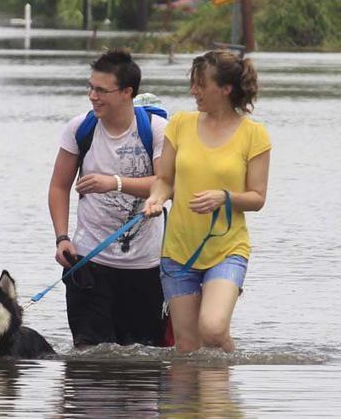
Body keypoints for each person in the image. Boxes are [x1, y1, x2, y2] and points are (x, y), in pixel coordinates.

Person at [143, 50, 270, 353]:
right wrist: (156, 200)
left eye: (201, 84)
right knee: (187, 347)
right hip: (178, 250)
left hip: (227, 249)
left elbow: (257, 198)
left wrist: (224, 198)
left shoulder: (254, 134)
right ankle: (200, 401)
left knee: (212, 330)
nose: (193, 91)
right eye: (193, 83)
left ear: (225, 89)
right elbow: (165, 179)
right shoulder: (180, 124)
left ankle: (223, 396)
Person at [48, 49, 168, 347]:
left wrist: (113, 183)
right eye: (91, 88)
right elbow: (59, 186)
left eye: (102, 90)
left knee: (141, 363)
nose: (93, 96)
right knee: (89, 357)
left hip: (145, 267)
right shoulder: (80, 128)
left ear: (127, 92)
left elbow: (166, 183)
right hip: (89, 261)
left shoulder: (155, 130)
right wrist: (62, 237)